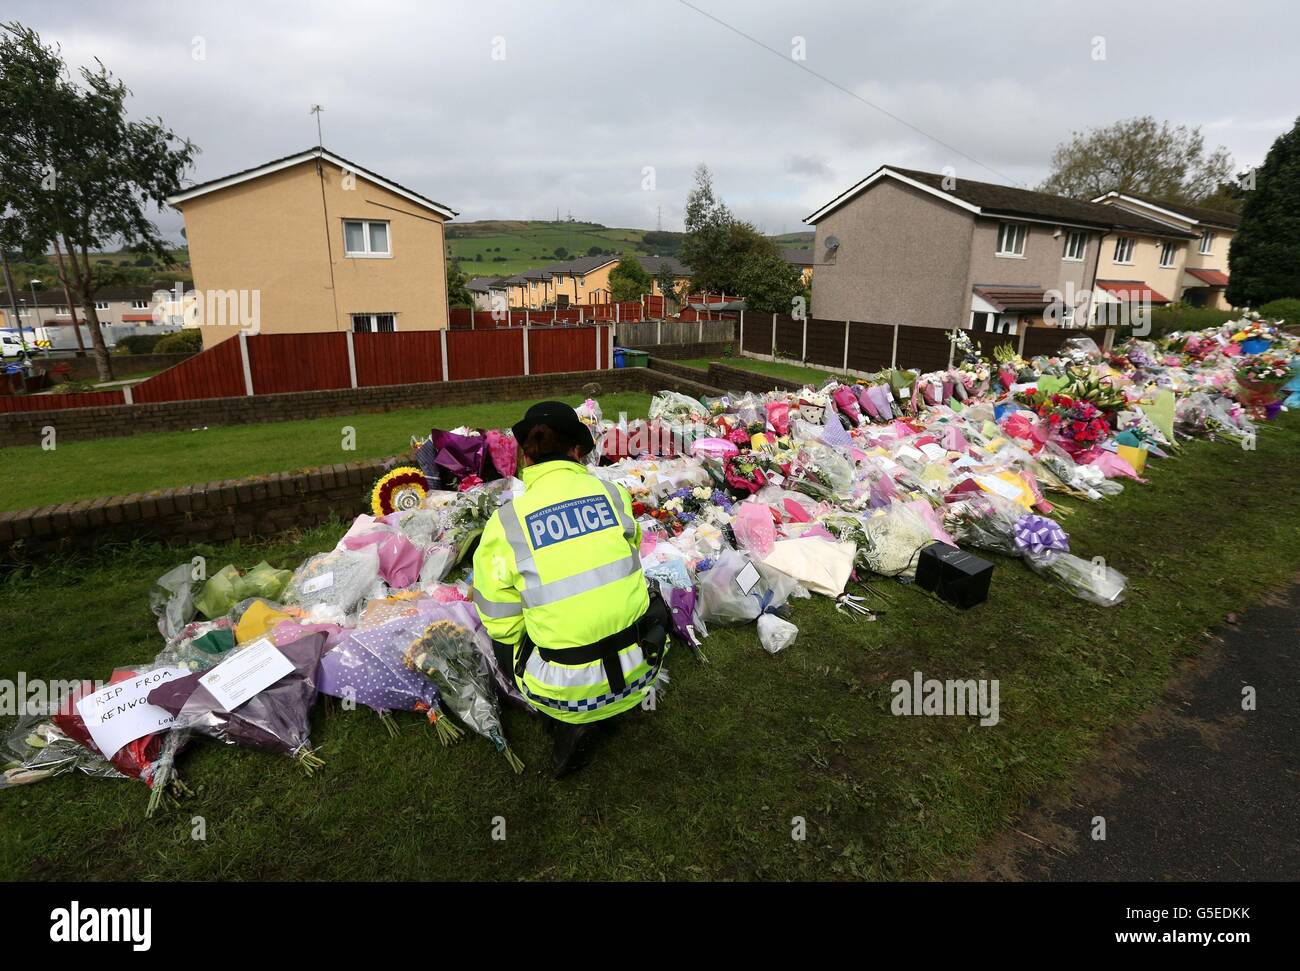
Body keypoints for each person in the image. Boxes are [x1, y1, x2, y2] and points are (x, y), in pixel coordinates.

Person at [472, 401, 668, 776]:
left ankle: (568, 721)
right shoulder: (612, 494)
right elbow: (633, 551)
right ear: (577, 451)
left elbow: (499, 618)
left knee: (499, 636)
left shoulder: (507, 522)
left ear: (526, 459)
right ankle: (611, 702)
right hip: (642, 662)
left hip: (564, 684)